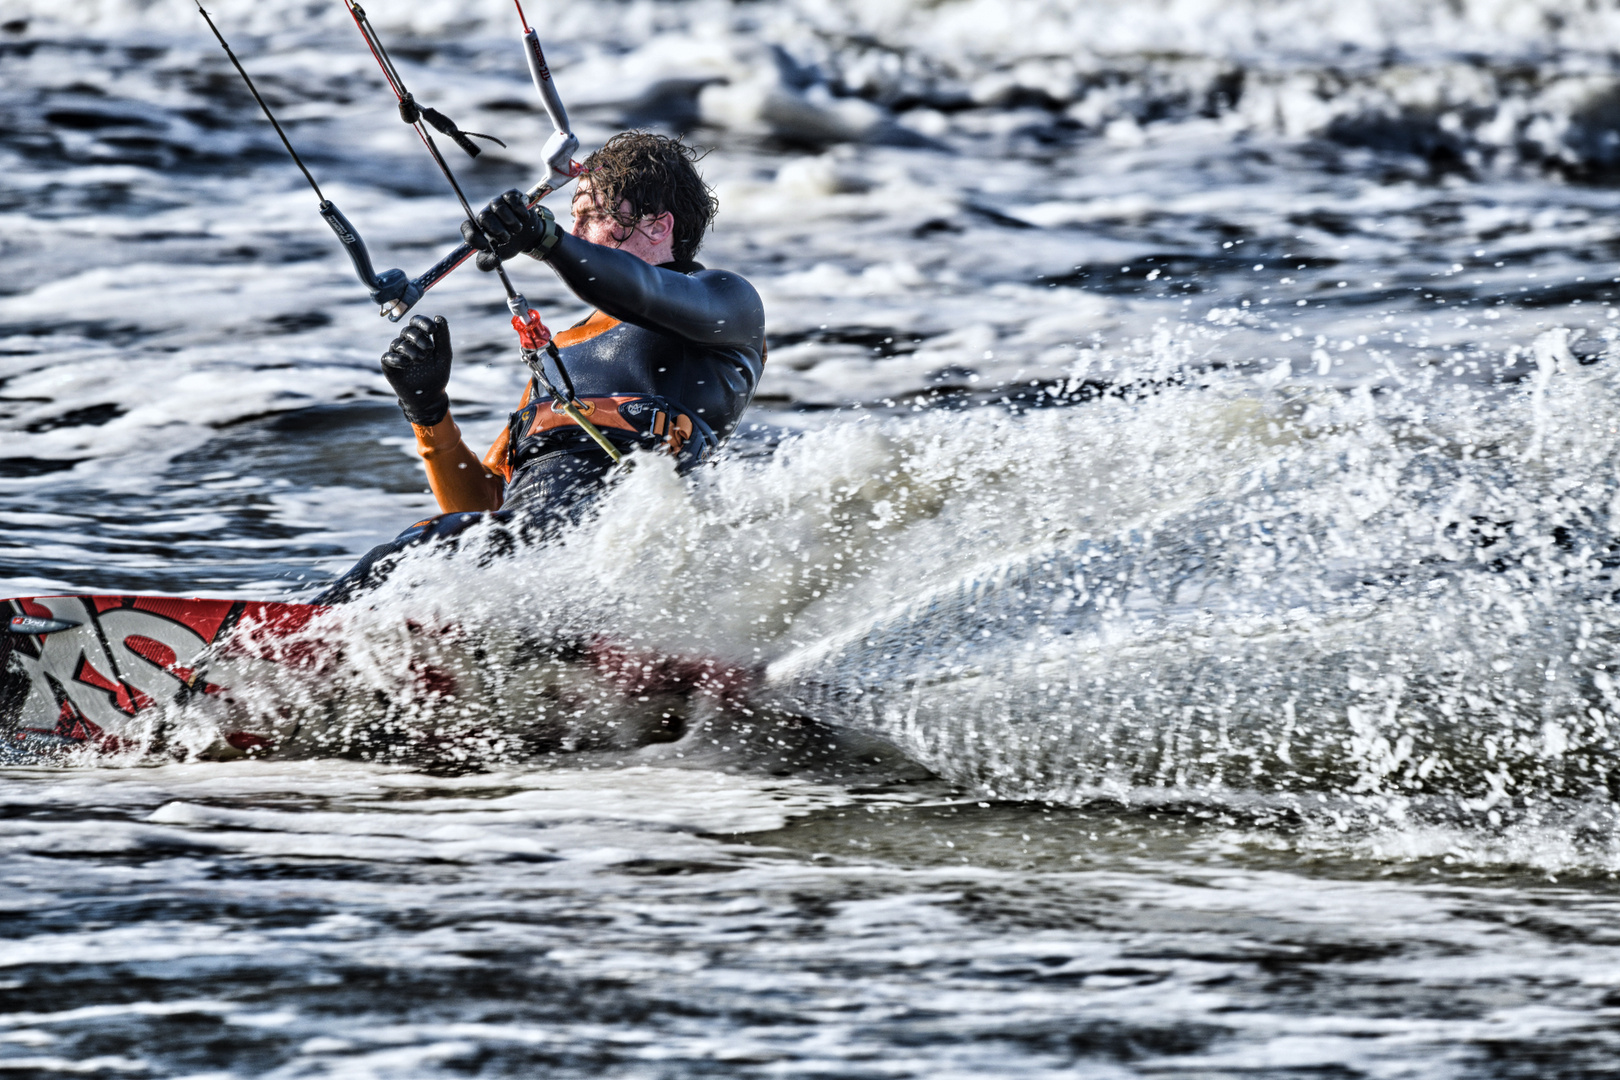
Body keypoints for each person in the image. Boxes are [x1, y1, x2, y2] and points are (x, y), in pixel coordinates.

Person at [313, 133, 766, 603]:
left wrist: (545, 240)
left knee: (431, 542)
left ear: (657, 226)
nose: (575, 233)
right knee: (424, 548)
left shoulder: (726, 304)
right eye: (571, 220)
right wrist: (427, 409)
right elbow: (485, 505)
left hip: (620, 571)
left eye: (591, 217)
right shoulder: (561, 352)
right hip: (532, 567)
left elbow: (643, 290)